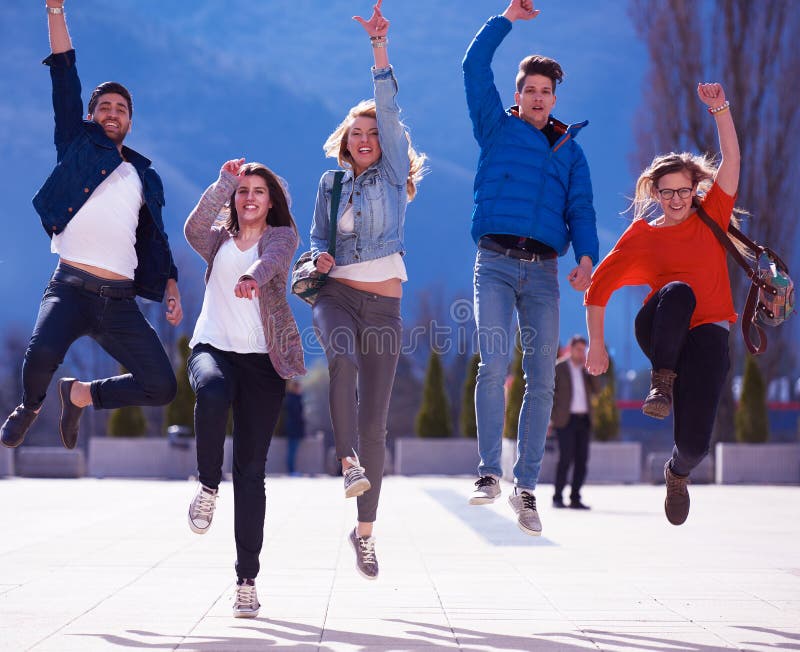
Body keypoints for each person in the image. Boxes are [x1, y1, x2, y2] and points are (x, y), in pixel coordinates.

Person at [0, 0, 182, 450]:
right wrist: (55, 10)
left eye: (121, 108)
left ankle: (80, 395)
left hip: (119, 301)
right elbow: (64, 74)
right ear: (90, 115)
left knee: (162, 386)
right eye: (104, 106)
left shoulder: (145, 177)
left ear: (130, 121)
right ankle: (30, 406)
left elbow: (155, 240)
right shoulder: (75, 146)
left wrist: (172, 283)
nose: (113, 112)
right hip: (70, 288)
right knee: (41, 355)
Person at [463, 0, 598, 537]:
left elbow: (580, 209)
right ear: (517, 95)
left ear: (555, 98)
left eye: (546, 91)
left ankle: (526, 489)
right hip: (495, 264)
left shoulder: (570, 152)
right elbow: (474, 66)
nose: (538, 97)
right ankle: (488, 473)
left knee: (542, 380)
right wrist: (507, 19)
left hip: (543, 272)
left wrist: (586, 257)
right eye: (530, 90)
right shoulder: (495, 127)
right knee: (493, 366)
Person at [584, 82, 740, 526]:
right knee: (679, 291)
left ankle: (677, 472)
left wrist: (720, 110)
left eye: (683, 191)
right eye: (667, 192)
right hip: (661, 329)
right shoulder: (642, 236)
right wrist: (597, 345)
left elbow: (732, 161)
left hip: (709, 334)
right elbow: (598, 288)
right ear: (655, 194)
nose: (676, 200)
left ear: (694, 190)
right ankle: (661, 383)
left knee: (695, 445)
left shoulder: (713, 213)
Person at [310, 0, 426, 580]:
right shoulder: (330, 184)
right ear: (344, 141)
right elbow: (316, 238)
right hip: (335, 295)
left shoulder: (393, 173)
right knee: (343, 362)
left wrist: (379, 48)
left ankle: (364, 533)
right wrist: (318, 256)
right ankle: (347, 460)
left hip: (384, 305)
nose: (364, 138)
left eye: (372, 132)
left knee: (376, 420)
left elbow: (389, 107)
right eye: (355, 133)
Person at [184, 159, 305, 618]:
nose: (249, 197)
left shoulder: (281, 237)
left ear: (271, 201)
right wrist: (223, 182)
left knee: (252, 473)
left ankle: (246, 581)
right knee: (212, 391)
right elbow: (194, 228)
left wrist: (252, 276)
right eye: (243, 191)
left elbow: (272, 262)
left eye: (258, 191)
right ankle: (207, 487)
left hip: (263, 363)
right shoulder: (217, 238)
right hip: (212, 347)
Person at [550, 335, 599, 510]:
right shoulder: (559, 368)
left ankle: (575, 498)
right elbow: (550, 395)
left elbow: (597, 390)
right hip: (565, 420)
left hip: (584, 419)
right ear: (571, 349)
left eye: (583, 350)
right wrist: (550, 419)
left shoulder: (586, 369)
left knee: (582, 460)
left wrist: (590, 371)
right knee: (565, 459)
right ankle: (557, 497)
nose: (581, 353)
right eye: (578, 349)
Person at [283, 380, 306, 476]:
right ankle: (291, 470)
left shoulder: (292, 398)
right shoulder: (293, 399)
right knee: (292, 450)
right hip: (294, 429)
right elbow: (296, 415)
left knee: (292, 450)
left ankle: (292, 470)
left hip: (293, 428)